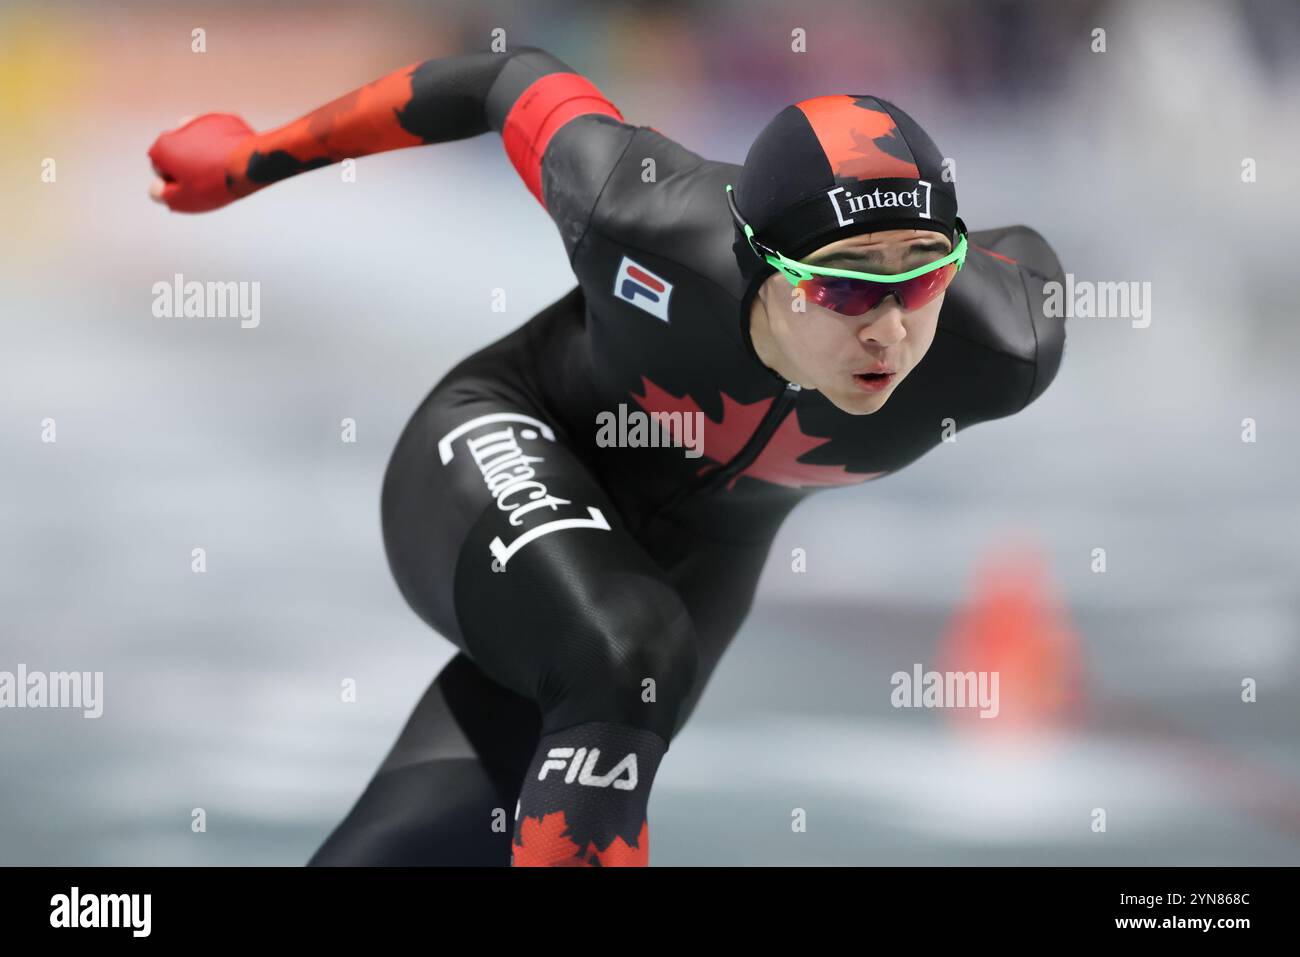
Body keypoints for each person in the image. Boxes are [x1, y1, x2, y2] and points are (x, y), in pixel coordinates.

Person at [147, 47, 1066, 866]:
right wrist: (248, 160)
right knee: (628, 653)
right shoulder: (637, 208)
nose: (891, 331)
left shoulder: (1003, 345)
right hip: (506, 444)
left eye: (922, 275)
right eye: (842, 286)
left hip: (697, 560)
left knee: (424, 839)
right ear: (755, 264)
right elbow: (497, 78)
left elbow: (1021, 257)